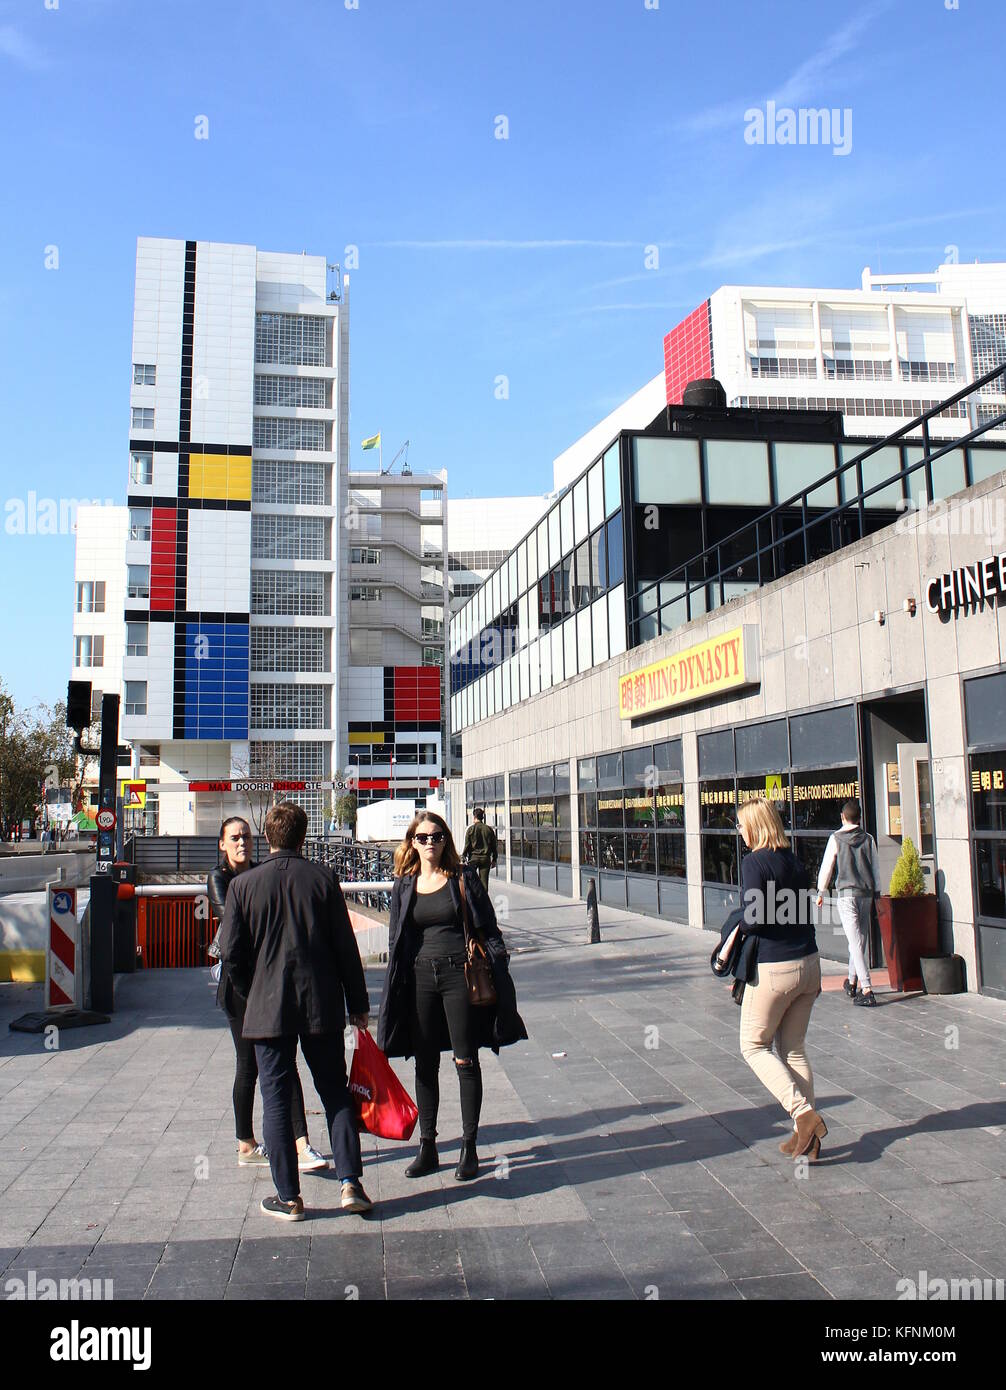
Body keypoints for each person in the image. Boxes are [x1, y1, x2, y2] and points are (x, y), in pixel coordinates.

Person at [218, 802, 372, 1222]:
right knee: (334, 1091)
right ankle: (350, 1183)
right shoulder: (323, 879)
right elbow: (346, 949)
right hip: (320, 1004)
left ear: (267, 837)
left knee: (277, 1098)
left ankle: (289, 1197)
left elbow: (230, 953)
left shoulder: (244, 886)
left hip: (267, 1009)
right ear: (303, 836)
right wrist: (358, 1005)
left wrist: (251, 992)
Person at [378, 812, 526, 1182]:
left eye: (437, 836)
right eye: (423, 837)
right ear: (412, 841)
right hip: (419, 979)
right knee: (424, 1062)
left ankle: (469, 1146)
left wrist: (499, 965)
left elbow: (488, 927)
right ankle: (427, 1146)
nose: (431, 843)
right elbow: (396, 938)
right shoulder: (404, 885)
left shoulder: (463, 878)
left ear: (446, 840)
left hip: (459, 975)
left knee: (465, 1060)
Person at [207, 817, 327, 1173]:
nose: (241, 842)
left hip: (268, 982)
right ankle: (246, 1142)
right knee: (249, 1065)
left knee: (283, 1061)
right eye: (234, 837)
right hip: (240, 987)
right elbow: (234, 921)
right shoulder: (220, 879)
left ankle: (300, 1143)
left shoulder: (259, 872)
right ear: (222, 844)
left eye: (245, 836)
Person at [737, 798, 828, 1161]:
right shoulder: (795, 861)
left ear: (757, 826)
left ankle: (803, 1115)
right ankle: (807, 1139)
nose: (739, 831)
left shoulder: (754, 862)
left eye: (742, 825)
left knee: (754, 1046)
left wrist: (737, 922)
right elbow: (802, 909)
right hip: (809, 963)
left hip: (776, 968)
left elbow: (754, 918)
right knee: (793, 1049)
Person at [816, 799, 882, 1008]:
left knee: (855, 942)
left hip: (846, 894)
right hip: (866, 894)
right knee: (859, 940)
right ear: (860, 818)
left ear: (843, 817)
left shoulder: (836, 838)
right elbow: (876, 868)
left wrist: (821, 890)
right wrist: (878, 892)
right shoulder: (868, 838)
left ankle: (867, 988)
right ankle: (852, 982)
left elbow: (827, 866)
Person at [462, 808, 498, 892]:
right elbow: (494, 846)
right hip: (485, 858)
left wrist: (463, 856)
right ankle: (483, 901)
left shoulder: (470, 829)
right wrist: (494, 859)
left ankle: (473, 900)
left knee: (471, 880)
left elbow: (467, 845)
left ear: (474, 816)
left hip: (473, 858)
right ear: (483, 817)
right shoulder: (489, 829)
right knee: (484, 882)